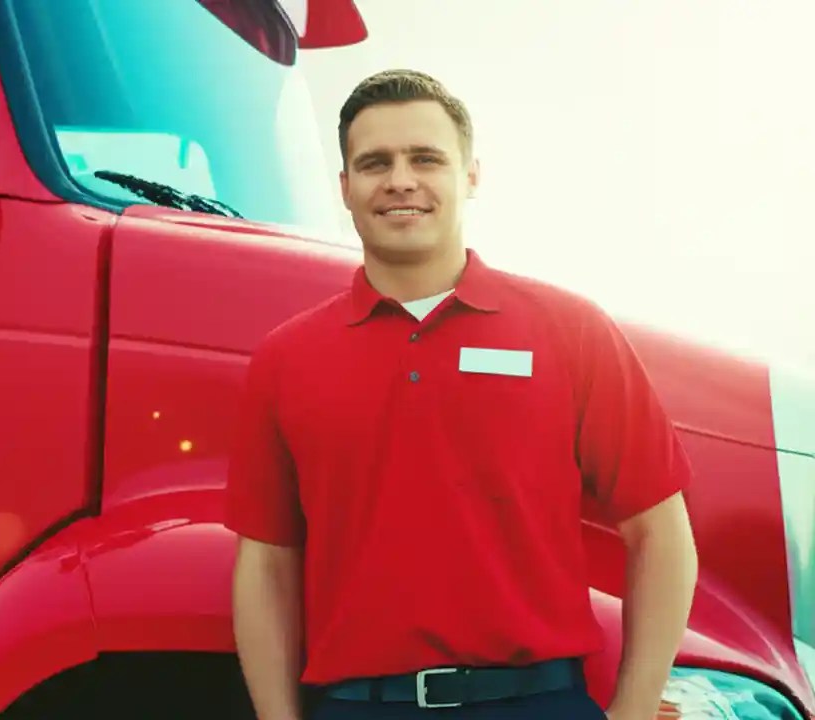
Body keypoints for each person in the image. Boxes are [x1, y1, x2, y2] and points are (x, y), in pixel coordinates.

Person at [225, 69, 699, 720]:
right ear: (345, 187)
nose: (400, 180)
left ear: (470, 176)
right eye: (374, 163)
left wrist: (636, 707)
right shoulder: (285, 358)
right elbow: (267, 565)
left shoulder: (570, 332)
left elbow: (660, 530)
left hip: (538, 703)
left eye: (425, 158)